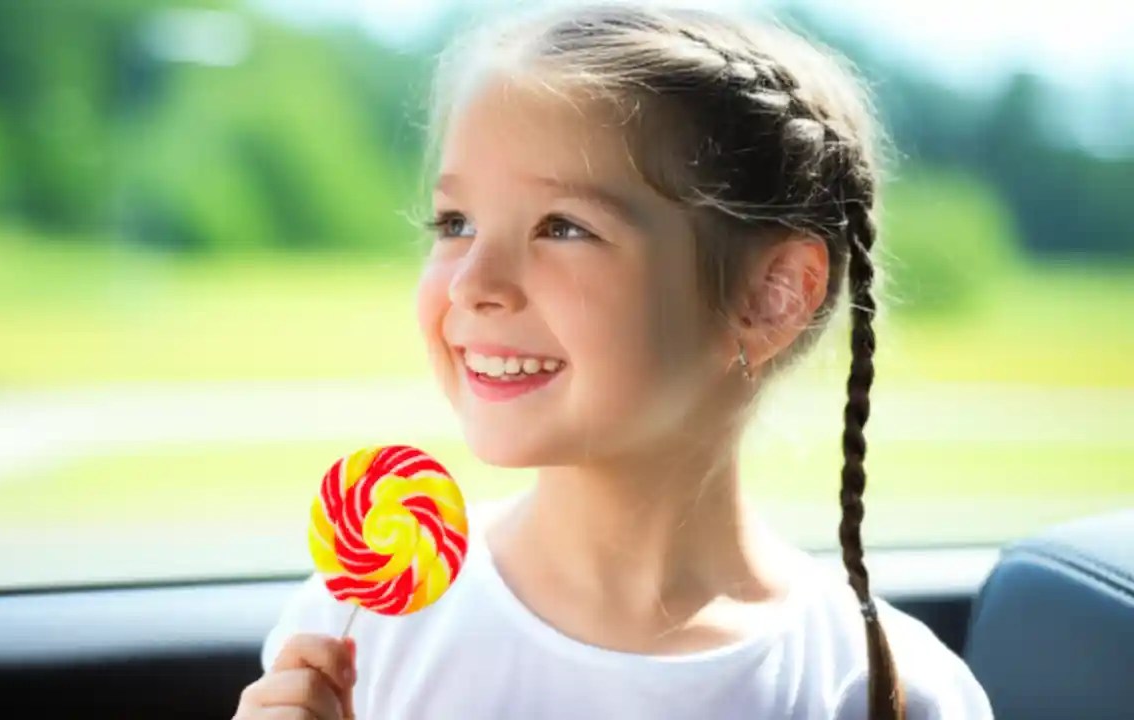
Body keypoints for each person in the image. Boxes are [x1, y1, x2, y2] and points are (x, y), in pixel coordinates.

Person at [235, 3, 992, 718]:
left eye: (562, 227)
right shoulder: (358, 632)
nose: (473, 284)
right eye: (455, 221)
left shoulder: (884, 691)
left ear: (773, 295)